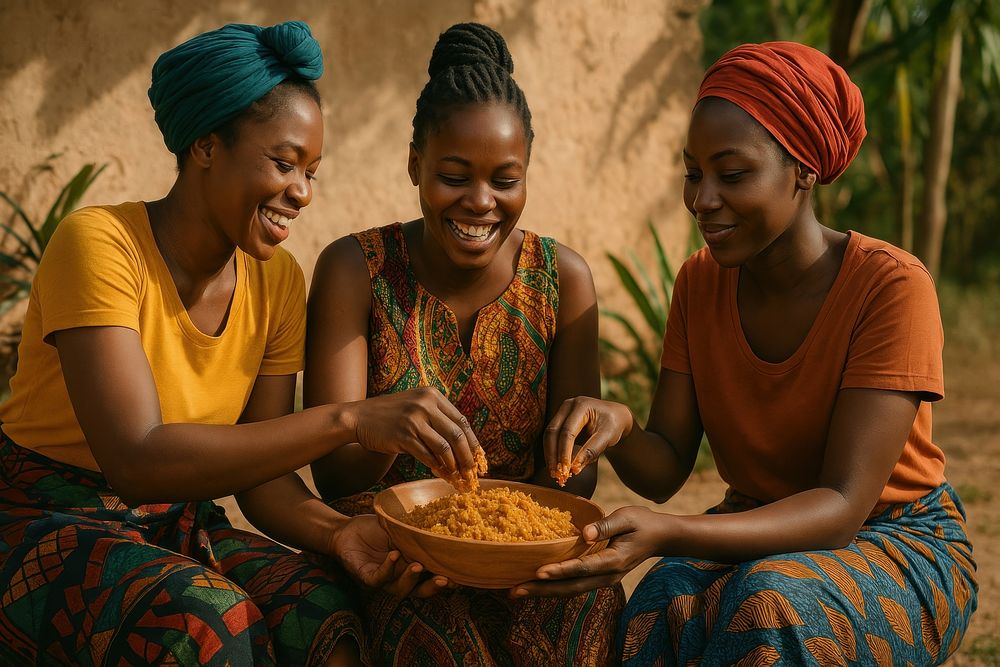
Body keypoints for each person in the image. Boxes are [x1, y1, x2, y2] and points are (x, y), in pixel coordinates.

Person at [0, 20, 486, 666]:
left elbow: (263, 477)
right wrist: (348, 419)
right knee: (206, 622)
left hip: (178, 521)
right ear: (206, 145)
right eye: (284, 163)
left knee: (322, 609)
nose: (302, 192)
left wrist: (340, 533)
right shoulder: (100, 246)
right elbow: (135, 458)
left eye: (311, 171)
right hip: (45, 519)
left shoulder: (275, 281)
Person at [522, 41, 978, 665]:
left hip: (894, 539)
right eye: (693, 174)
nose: (703, 199)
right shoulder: (700, 282)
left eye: (732, 175)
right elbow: (665, 469)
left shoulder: (889, 287)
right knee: (659, 602)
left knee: (769, 604)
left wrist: (671, 533)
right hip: (752, 524)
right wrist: (622, 425)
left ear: (804, 171)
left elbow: (843, 507)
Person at [305, 22, 625, 667]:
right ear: (415, 165)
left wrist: (573, 449)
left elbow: (572, 482)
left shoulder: (562, 278)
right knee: (441, 637)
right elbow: (334, 474)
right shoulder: (356, 269)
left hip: (524, 549)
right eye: (454, 176)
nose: (480, 202)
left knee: (592, 611)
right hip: (395, 545)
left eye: (505, 180)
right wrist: (389, 432)